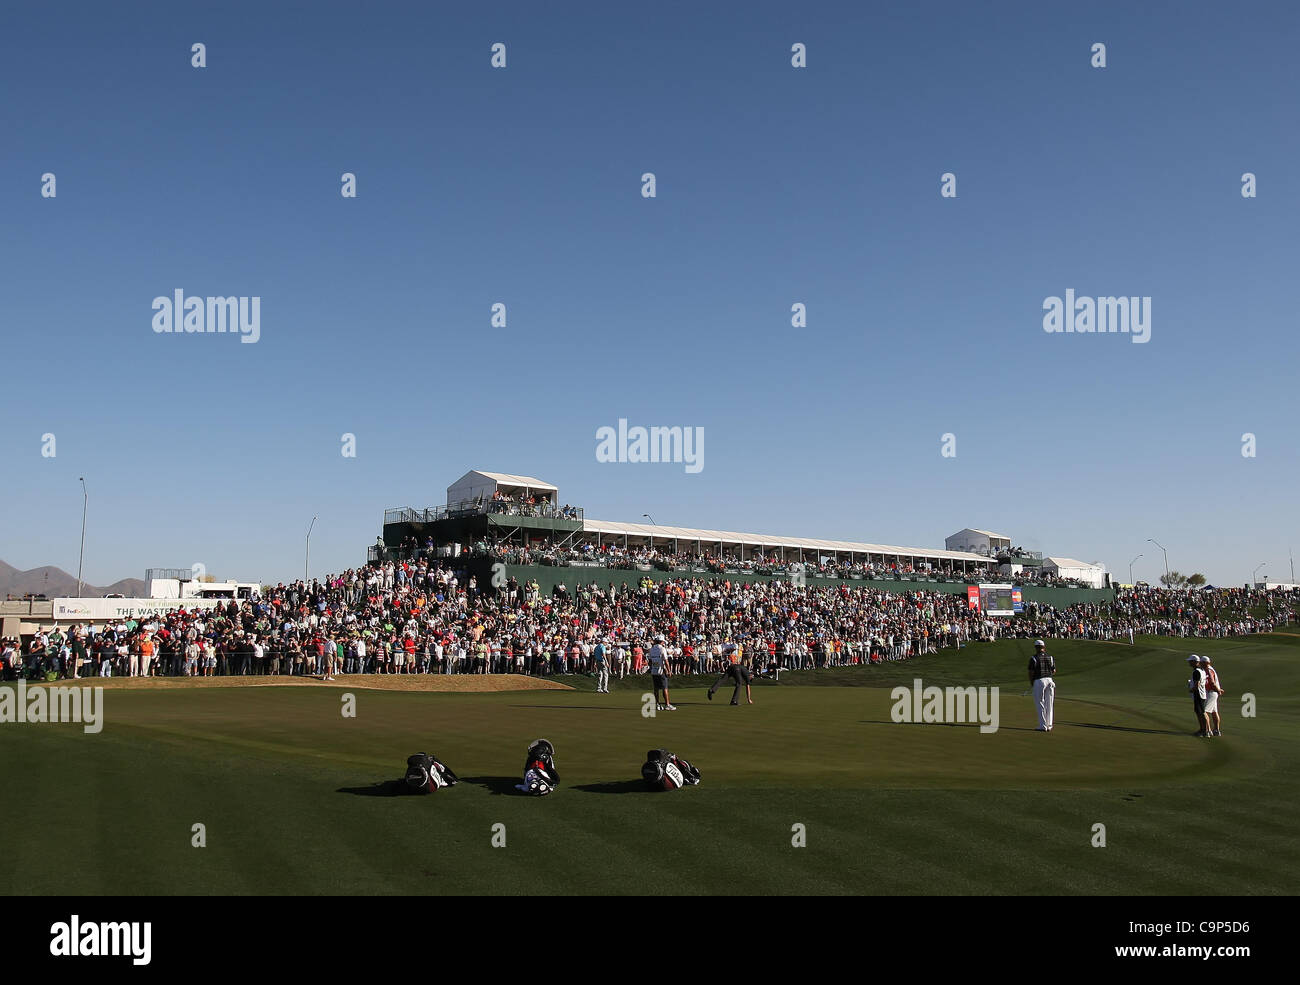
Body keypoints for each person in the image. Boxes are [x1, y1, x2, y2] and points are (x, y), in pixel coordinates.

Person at [707, 638, 752, 705]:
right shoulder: (748, 676)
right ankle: (734, 701)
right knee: (739, 684)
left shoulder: (746, 672)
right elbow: (747, 688)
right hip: (737, 668)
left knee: (722, 679)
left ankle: (712, 690)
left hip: (732, 667)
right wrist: (749, 699)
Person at [1028, 639, 1056, 731]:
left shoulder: (1034, 658)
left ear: (1036, 647)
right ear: (1044, 647)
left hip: (1039, 680)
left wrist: (1032, 682)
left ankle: (1043, 726)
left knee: (1040, 703)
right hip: (1050, 680)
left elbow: (1031, 672)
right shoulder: (1050, 657)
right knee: (1049, 703)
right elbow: (1054, 671)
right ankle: (1049, 725)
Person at [646, 636, 675, 711]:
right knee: (664, 688)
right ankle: (667, 704)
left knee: (656, 688)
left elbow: (650, 661)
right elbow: (666, 661)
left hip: (654, 671)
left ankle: (657, 704)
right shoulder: (662, 649)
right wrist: (669, 671)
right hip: (661, 671)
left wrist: (652, 667)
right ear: (661, 641)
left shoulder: (651, 649)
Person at [1199, 655, 1223, 736]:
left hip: (1211, 693)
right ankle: (1216, 730)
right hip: (1213, 693)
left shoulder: (1208, 670)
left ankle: (1207, 731)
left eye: (1201, 663)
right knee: (1214, 712)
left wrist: (1218, 690)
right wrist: (1218, 690)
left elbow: (1212, 683)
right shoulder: (1211, 669)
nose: (1200, 664)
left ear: (1206, 663)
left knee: (1203, 711)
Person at [1186, 654, 1209, 737]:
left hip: (1198, 694)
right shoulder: (1202, 670)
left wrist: (1191, 689)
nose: (1189, 663)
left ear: (1195, 662)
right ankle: (1203, 730)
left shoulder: (1196, 671)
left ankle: (1204, 731)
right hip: (1201, 694)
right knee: (1199, 712)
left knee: (1201, 712)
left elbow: (1197, 685)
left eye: (1190, 661)